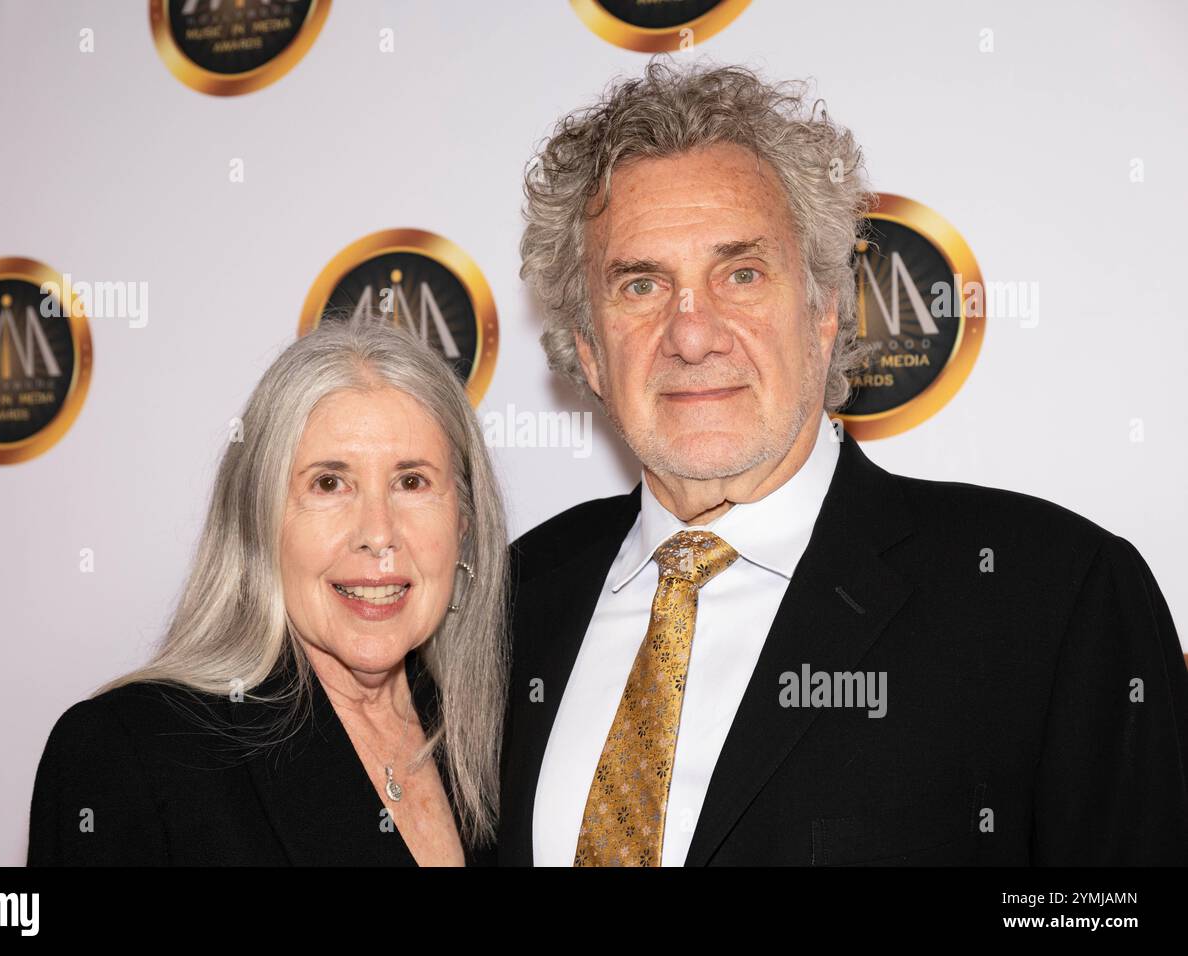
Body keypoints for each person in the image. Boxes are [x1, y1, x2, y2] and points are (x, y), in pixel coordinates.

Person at [500, 55, 1188, 866]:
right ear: (587, 346)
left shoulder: (1053, 596)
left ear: (825, 311)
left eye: (741, 273)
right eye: (640, 286)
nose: (691, 333)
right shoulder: (513, 604)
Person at [28, 319, 510, 866]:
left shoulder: (504, 743)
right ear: (259, 518)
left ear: (464, 521)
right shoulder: (127, 754)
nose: (378, 534)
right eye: (329, 483)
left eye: (412, 481)